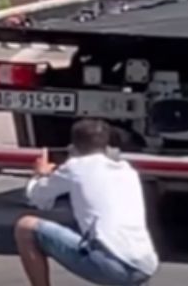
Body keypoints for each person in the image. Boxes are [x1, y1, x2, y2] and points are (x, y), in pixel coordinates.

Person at [15, 119, 158, 286]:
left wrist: (40, 174)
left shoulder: (74, 167)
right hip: (145, 266)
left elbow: (36, 197)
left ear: (73, 146)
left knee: (25, 227)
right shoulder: (126, 170)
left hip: (113, 265)